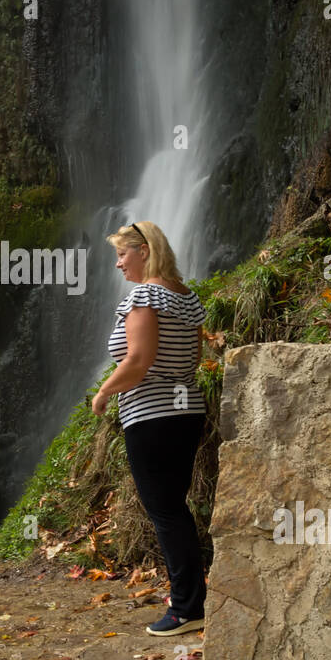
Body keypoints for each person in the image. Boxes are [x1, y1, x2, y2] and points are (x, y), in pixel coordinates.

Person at [92, 221, 208, 636]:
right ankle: (190, 599)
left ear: (144, 250)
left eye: (123, 254)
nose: (119, 264)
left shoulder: (143, 296)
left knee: (165, 511)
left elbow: (138, 361)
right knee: (175, 508)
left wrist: (103, 392)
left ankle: (186, 608)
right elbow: (191, 361)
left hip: (151, 415)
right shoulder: (188, 299)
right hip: (187, 411)